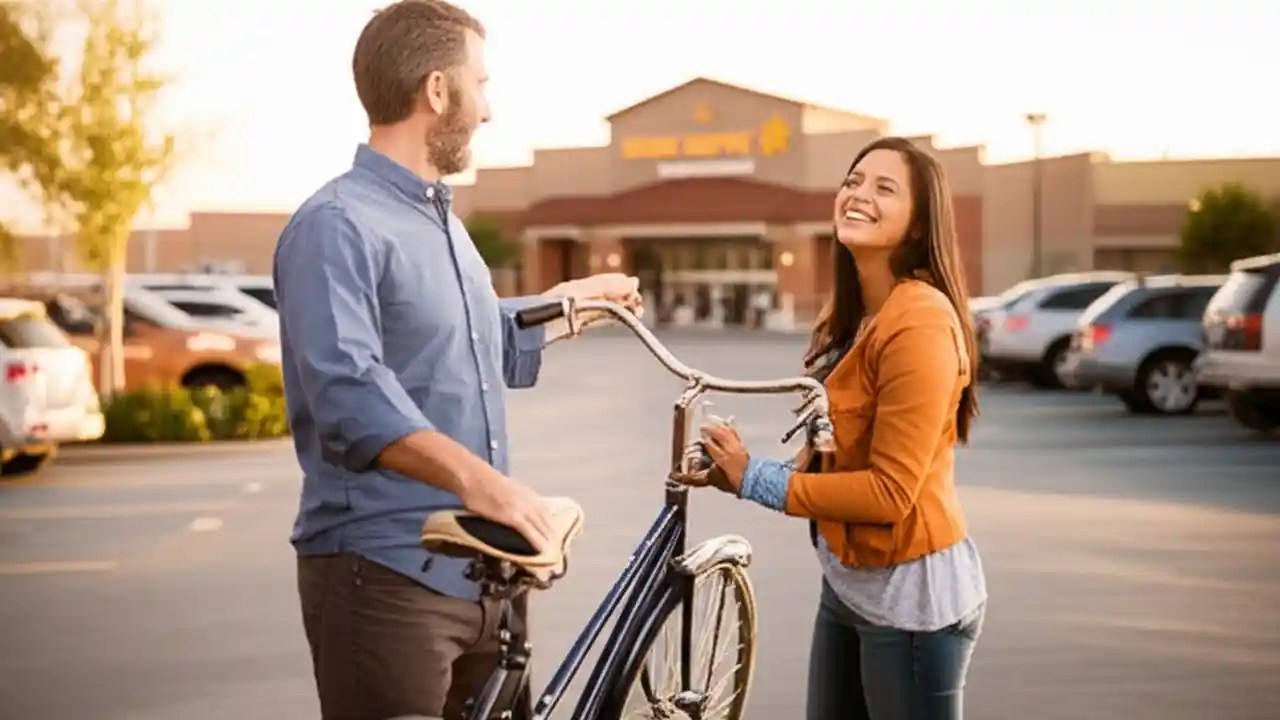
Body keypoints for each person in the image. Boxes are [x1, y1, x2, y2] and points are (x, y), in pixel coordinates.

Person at [272, 2, 642, 718]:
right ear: (437, 91)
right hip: (383, 575)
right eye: (481, 84)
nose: (489, 110)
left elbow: (469, 344)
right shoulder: (335, 226)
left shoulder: (443, 222)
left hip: (483, 575)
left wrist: (566, 306)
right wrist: (485, 485)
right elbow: (347, 393)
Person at [690, 136, 987, 720]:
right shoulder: (858, 315)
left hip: (911, 605)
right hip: (851, 585)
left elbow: (890, 493)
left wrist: (755, 479)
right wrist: (736, 467)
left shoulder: (921, 322)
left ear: (919, 222)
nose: (858, 194)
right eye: (854, 180)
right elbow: (839, 447)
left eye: (884, 187)